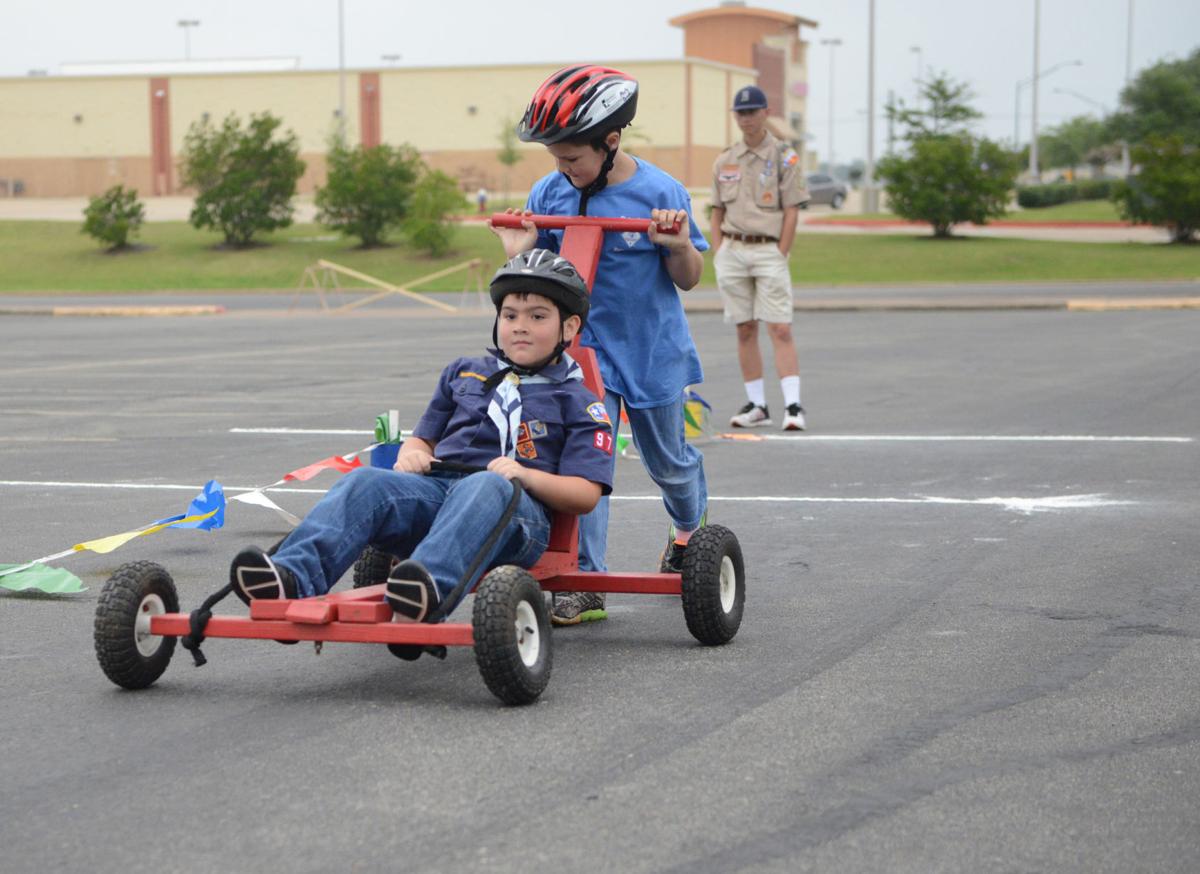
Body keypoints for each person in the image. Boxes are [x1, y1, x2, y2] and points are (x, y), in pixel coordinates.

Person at [227, 249, 614, 642]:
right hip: (439, 494)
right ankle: (292, 576)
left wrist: (525, 476)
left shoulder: (579, 401)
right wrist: (414, 452)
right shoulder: (465, 372)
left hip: (516, 517)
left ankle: (426, 585)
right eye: (510, 315)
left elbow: (585, 494)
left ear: (569, 328)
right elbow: (423, 437)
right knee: (366, 482)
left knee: (486, 483)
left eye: (537, 316)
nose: (520, 326)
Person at [489, 64, 710, 626]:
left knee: (671, 464)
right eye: (556, 159)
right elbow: (533, 279)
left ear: (611, 142)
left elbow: (689, 277)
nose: (562, 170)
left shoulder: (659, 192)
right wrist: (518, 250)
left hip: (651, 351)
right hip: (583, 356)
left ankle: (687, 534)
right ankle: (586, 580)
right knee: (587, 461)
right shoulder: (550, 191)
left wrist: (677, 244)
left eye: (572, 159)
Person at [710, 84, 810, 432]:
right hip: (734, 249)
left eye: (752, 111)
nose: (746, 118)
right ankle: (757, 405)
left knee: (780, 327)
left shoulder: (785, 156)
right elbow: (717, 210)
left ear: (766, 112)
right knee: (745, 328)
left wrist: (781, 251)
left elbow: (793, 209)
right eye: (741, 112)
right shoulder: (726, 159)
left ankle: (793, 405)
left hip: (768, 248)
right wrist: (719, 248)